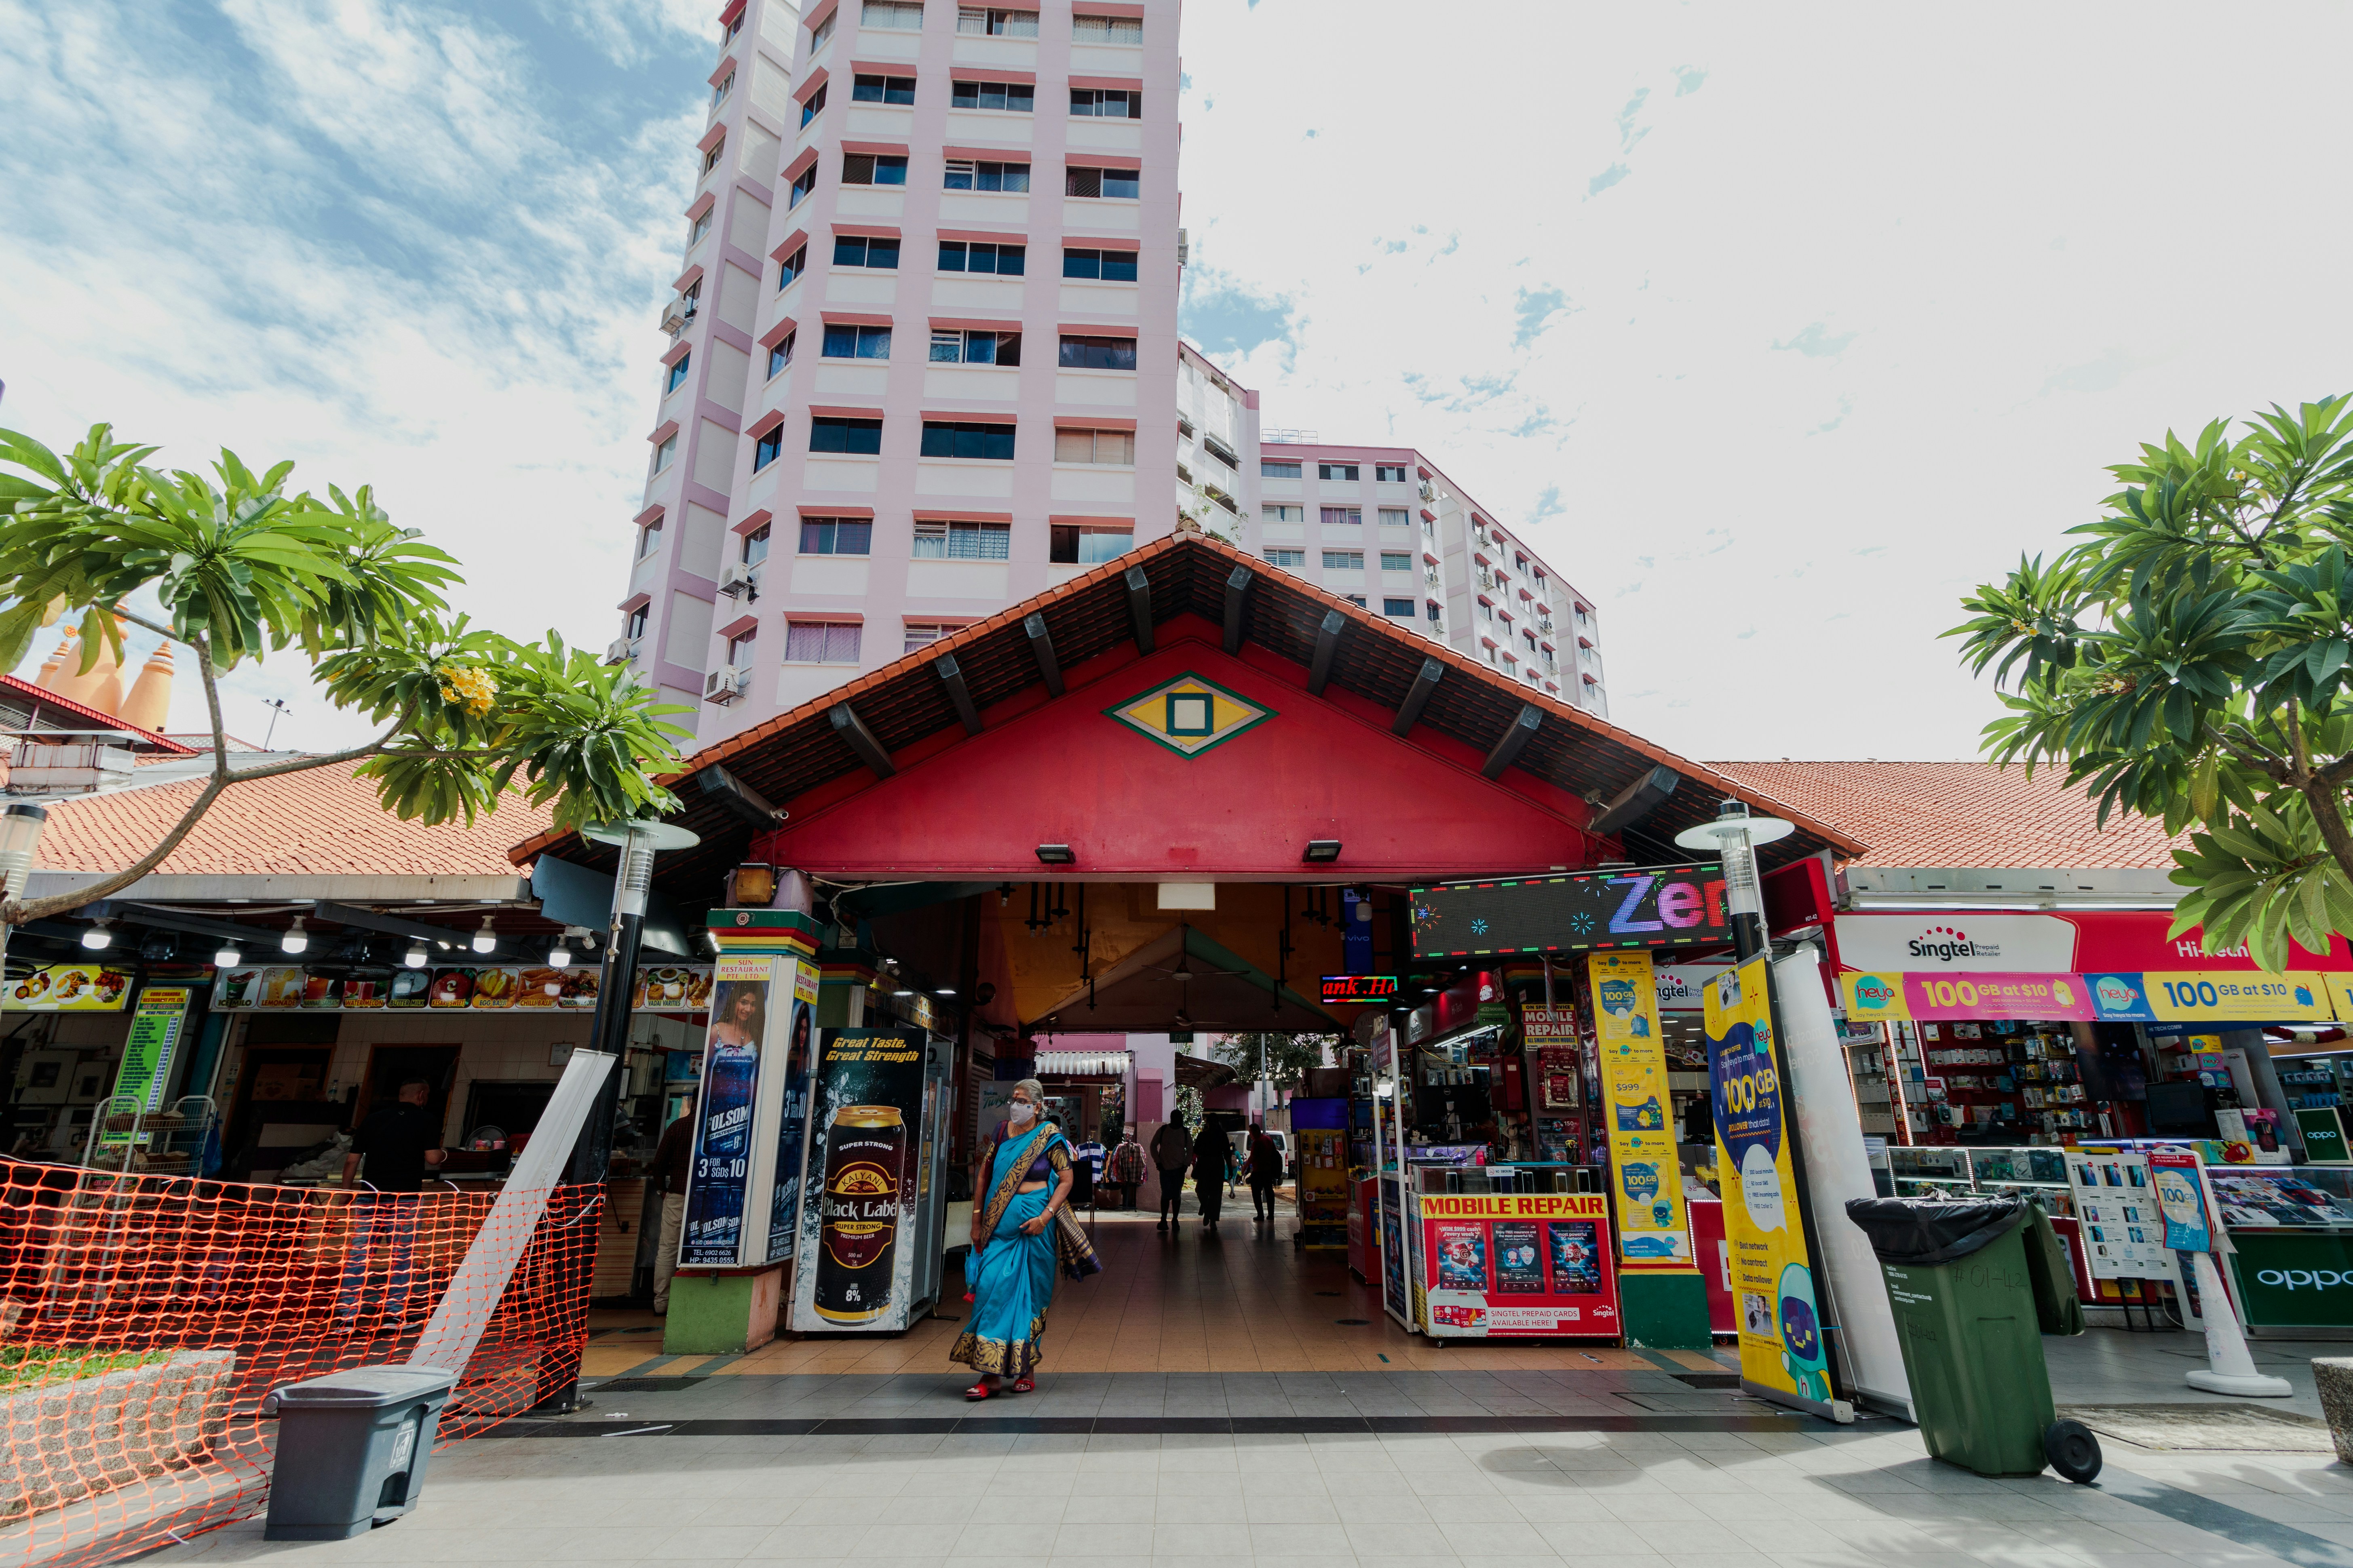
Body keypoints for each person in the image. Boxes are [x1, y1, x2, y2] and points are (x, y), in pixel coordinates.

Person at [954, 1079, 1074, 1399]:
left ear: (1037, 1106)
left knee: (1030, 1299)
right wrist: (976, 1220)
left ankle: (1026, 1368)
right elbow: (984, 1174)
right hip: (999, 1225)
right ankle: (991, 1374)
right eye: (1014, 1099)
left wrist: (1045, 1217)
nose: (1015, 1105)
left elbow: (1066, 1179)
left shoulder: (1050, 1137)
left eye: (1022, 1101)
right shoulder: (1001, 1132)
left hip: (1037, 1229)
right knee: (990, 1289)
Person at [337, 1077, 446, 1319]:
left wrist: (345, 1193)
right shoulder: (426, 1120)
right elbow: (432, 1159)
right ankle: (396, 1314)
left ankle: (347, 1315)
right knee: (402, 1257)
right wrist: (445, 1154)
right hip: (405, 1199)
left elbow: (352, 1161)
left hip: (371, 1198)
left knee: (360, 1255)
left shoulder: (372, 1119)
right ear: (421, 1096)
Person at [649, 1085, 699, 1315]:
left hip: (677, 1194)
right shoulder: (716, 1128)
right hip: (706, 1197)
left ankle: (662, 1303)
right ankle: (690, 1300)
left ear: (692, 1103)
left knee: (669, 1248)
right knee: (699, 1246)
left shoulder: (677, 1127)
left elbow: (658, 1165)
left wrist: (663, 1190)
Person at [1150, 1117, 1192, 1233]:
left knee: (1171, 1195)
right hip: (1171, 1169)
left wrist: (1158, 1162)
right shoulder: (1181, 1132)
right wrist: (1158, 1162)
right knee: (1172, 1195)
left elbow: (1190, 1150)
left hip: (1172, 1169)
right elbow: (1190, 1150)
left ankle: (1168, 1220)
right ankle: (1171, 1220)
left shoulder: (1168, 1131)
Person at [1192, 1121, 1228, 1231]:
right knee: (1215, 1194)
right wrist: (1230, 1171)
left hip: (1205, 1165)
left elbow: (1196, 1150)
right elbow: (1227, 1152)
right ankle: (1212, 1220)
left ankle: (1206, 1209)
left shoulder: (1203, 1135)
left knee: (1201, 1190)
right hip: (1218, 1166)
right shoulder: (1222, 1135)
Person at [1245, 1123, 1283, 1224]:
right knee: (1269, 1193)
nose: (1250, 1134)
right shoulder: (1268, 1139)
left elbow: (1252, 1157)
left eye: (1251, 1132)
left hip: (1259, 1172)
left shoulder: (1258, 1142)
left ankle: (1260, 1215)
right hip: (1268, 1171)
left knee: (1256, 1194)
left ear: (1256, 1131)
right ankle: (1271, 1215)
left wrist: (1245, 1166)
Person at [1108, 1127, 1146, 1210]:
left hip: (1130, 1174)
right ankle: (1126, 1204)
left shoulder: (1138, 1148)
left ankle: (1127, 1204)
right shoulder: (1121, 1149)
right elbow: (1118, 1162)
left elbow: (1142, 1163)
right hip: (1129, 1174)